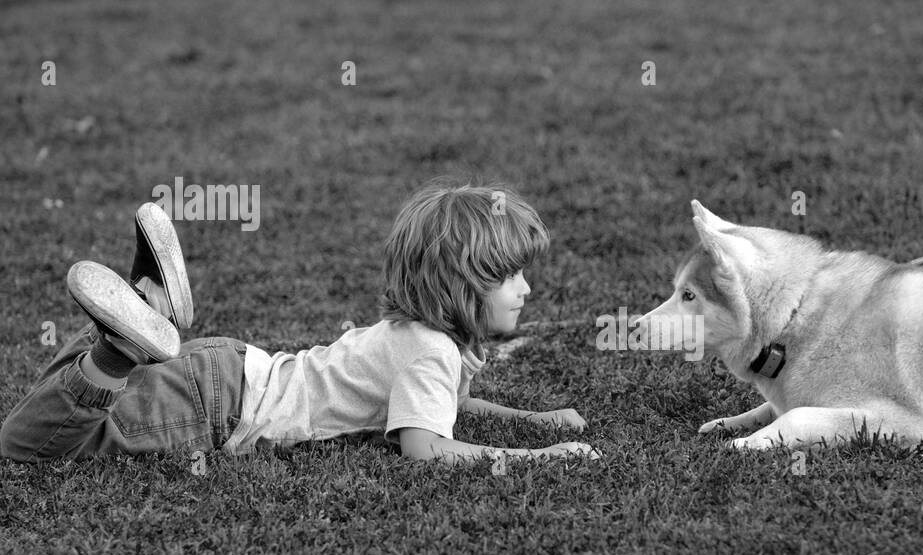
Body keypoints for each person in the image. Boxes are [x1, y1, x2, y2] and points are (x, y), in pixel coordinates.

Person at [0, 183, 598, 464]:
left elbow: (447, 408)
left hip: (230, 366)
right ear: (465, 284)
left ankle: (140, 308)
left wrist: (533, 420)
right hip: (224, 408)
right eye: (512, 275)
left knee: (60, 402)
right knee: (24, 449)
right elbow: (424, 446)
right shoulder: (431, 353)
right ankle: (117, 349)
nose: (528, 289)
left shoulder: (422, 337)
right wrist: (539, 454)